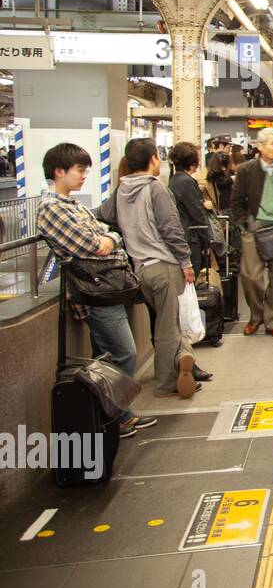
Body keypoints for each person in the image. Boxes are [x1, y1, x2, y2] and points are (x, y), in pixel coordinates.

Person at [36, 143, 157, 437]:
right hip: (94, 292)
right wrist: (108, 241)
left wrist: (109, 240)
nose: (83, 176)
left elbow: (110, 234)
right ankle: (117, 414)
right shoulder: (52, 209)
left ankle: (108, 416)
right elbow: (91, 245)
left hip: (103, 288)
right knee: (124, 352)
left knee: (105, 354)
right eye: (79, 170)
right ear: (58, 171)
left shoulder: (72, 205)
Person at [97, 138, 200, 399]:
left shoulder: (122, 190)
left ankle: (183, 361)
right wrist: (186, 262)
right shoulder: (156, 189)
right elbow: (171, 229)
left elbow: (103, 216)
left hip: (140, 270)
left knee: (169, 324)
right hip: (164, 267)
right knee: (167, 328)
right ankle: (167, 383)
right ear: (154, 159)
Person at [231, 128, 273, 338]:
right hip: (254, 229)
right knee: (251, 276)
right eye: (272, 143)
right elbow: (236, 201)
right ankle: (256, 316)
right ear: (260, 147)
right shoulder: (246, 170)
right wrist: (245, 225)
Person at [168, 142, 211, 276]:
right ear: (192, 162)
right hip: (191, 238)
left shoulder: (174, 180)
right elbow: (197, 214)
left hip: (182, 236)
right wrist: (207, 241)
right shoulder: (187, 182)